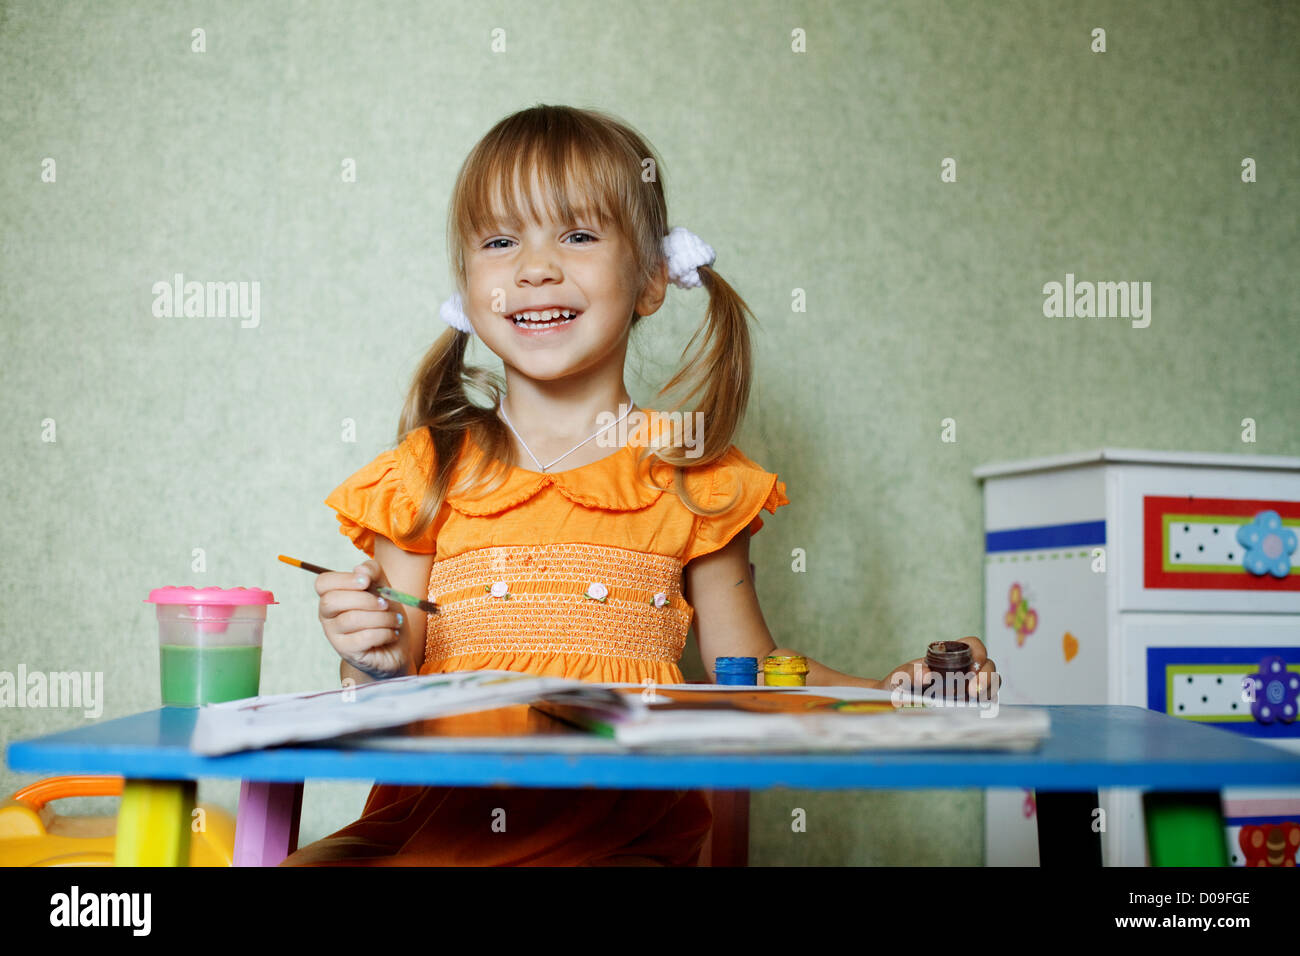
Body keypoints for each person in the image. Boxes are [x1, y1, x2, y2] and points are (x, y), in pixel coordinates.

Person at [279, 104, 997, 866]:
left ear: (653, 278)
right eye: (499, 240)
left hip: (616, 835)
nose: (535, 266)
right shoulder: (425, 473)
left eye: (578, 235)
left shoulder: (693, 479)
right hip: (433, 825)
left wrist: (893, 690)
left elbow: (748, 676)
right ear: (467, 284)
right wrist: (370, 655)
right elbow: (384, 683)